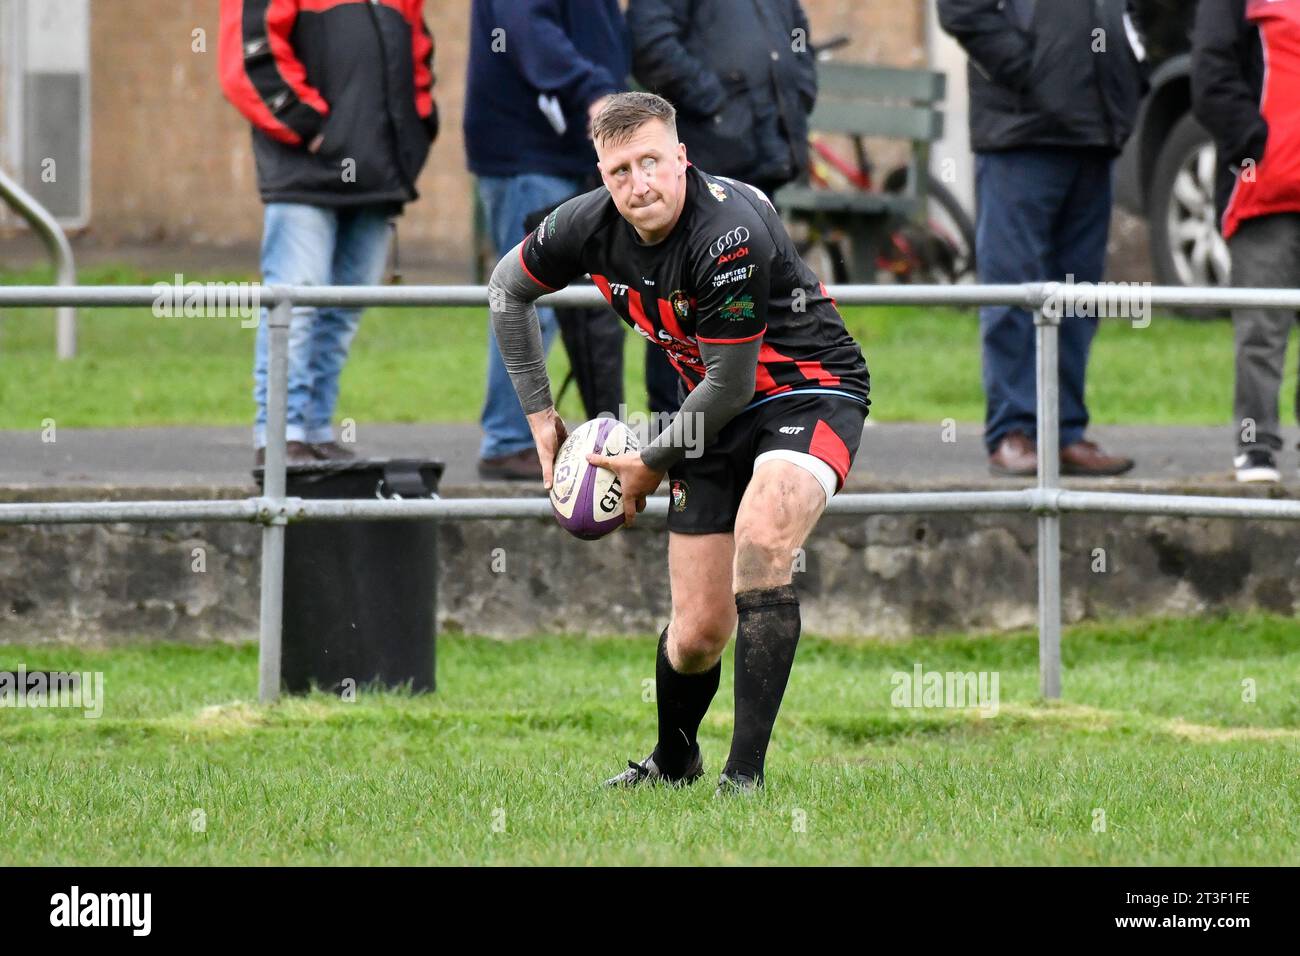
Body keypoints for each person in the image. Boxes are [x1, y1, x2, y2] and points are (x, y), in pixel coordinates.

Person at [487, 92, 870, 793]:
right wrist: (541, 419)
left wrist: (645, 465)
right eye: (620, 170)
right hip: (710, 410)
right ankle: (674, 761)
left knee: (762, 541)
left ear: (681, 158)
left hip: (804, 392)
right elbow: (506, 292)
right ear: (601, 174)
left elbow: (731, 382)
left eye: (653, 163)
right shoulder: (584, 225)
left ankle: (743, 777)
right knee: (695, 632)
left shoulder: (726, 230)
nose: (639, 185)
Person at [218, 0, 437, 466]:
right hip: (304, 172)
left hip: (377, 174)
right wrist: (312, 126)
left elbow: (417, 56)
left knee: (342, 312)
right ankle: (280, 435)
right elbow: (247, 56)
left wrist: (413, 135)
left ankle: (313, 429)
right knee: (296, 306)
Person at [937, 0, 1145, 477]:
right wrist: (1023, 67)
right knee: (1013, 292)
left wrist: (1134, 69)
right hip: (1020, 135)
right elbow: (961, 9)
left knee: (1077, 299)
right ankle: (1013, 431)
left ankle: (1065, 432)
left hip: (1095, 132)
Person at [464, 0, 629, 480]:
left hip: (564, 153)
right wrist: (595, 91)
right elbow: (527, 29)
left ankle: (512, 436)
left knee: (549, 300)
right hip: (528, 154)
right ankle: (507, 439)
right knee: (525, 294)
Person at [628, 0, 817, 417]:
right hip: (704, 160)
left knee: (753, 299)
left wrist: (797, 95)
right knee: (683, 303)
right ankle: (674, 427)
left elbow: (797, 39)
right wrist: (717, 104)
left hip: (764, 159)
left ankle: (747, 417)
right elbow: (652, 44)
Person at [1193, 0, 1300, 483]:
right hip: (1264, 194)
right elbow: (1211, 76)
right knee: (1261, 329)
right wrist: (1254, 146)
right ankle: (1256, 448)